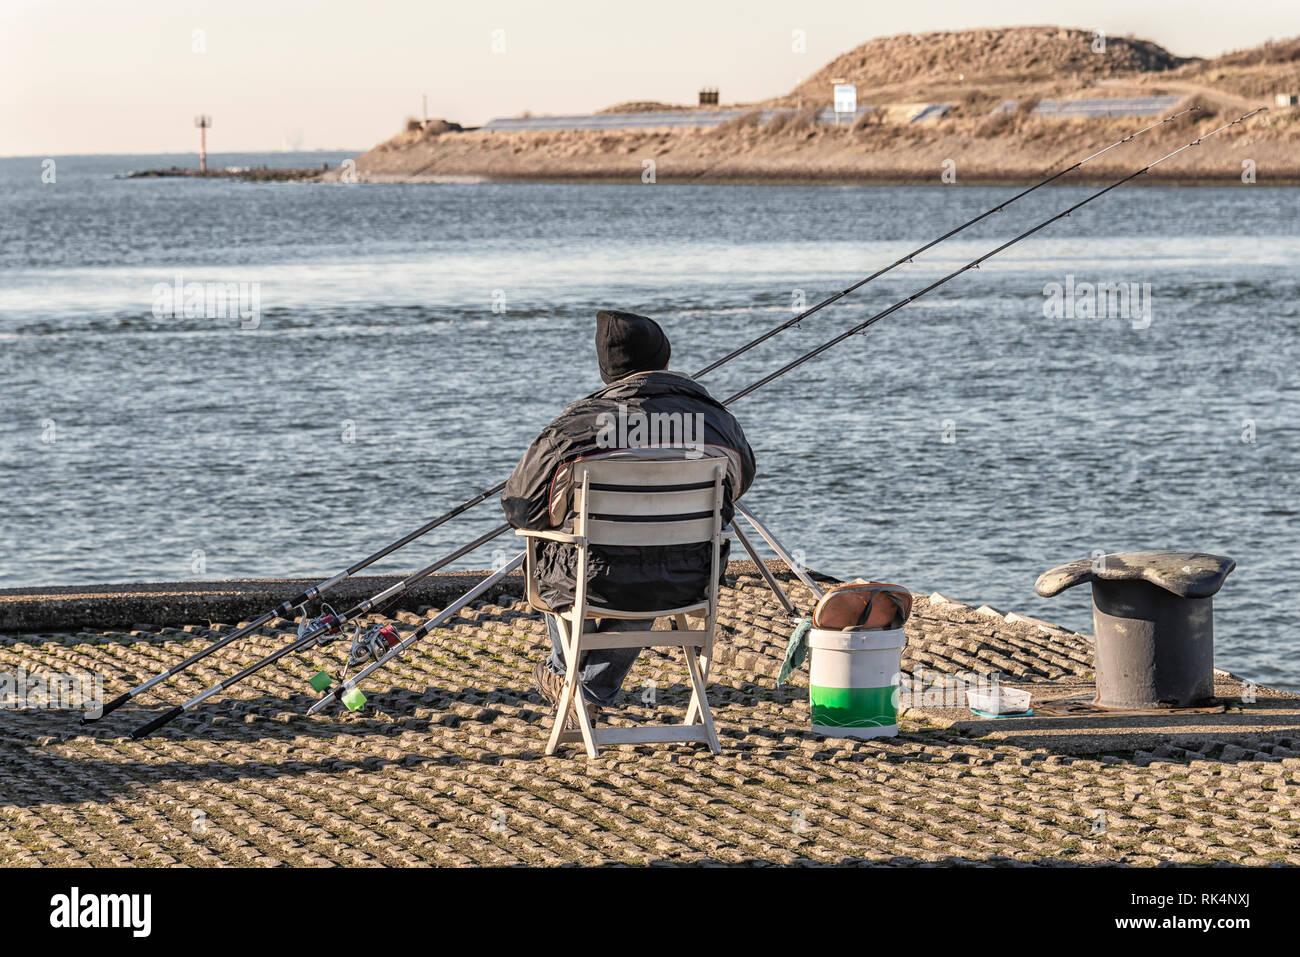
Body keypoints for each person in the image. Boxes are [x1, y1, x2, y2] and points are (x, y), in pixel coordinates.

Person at [502, 310, 756, 727]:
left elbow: (521, 508)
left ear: (607, 372)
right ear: (666, 360)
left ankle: (574, 683)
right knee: (654, 554)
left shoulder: (572, 429)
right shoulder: (719, 423)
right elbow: (738, 486)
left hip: (597, 580)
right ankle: (585, 688)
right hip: (691, 577)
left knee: (552, 544)